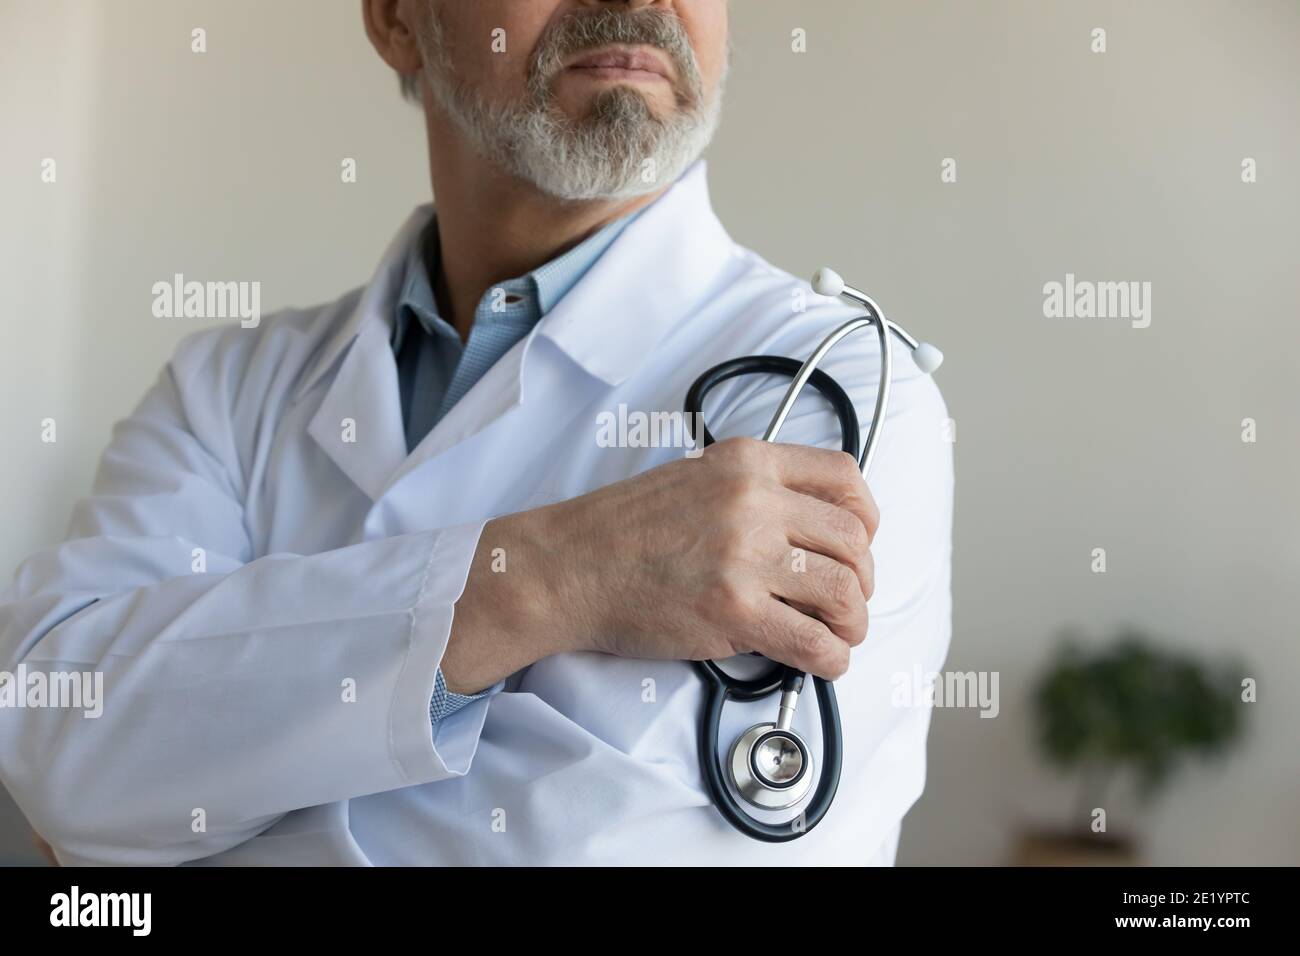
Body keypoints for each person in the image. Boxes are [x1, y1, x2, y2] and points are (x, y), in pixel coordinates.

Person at [0, 0, 953, 865]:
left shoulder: (834, 394)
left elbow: (618, 853)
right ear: (396, 20)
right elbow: (55, 727)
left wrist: (153, 818)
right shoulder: (226, 389)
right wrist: (553, 576)